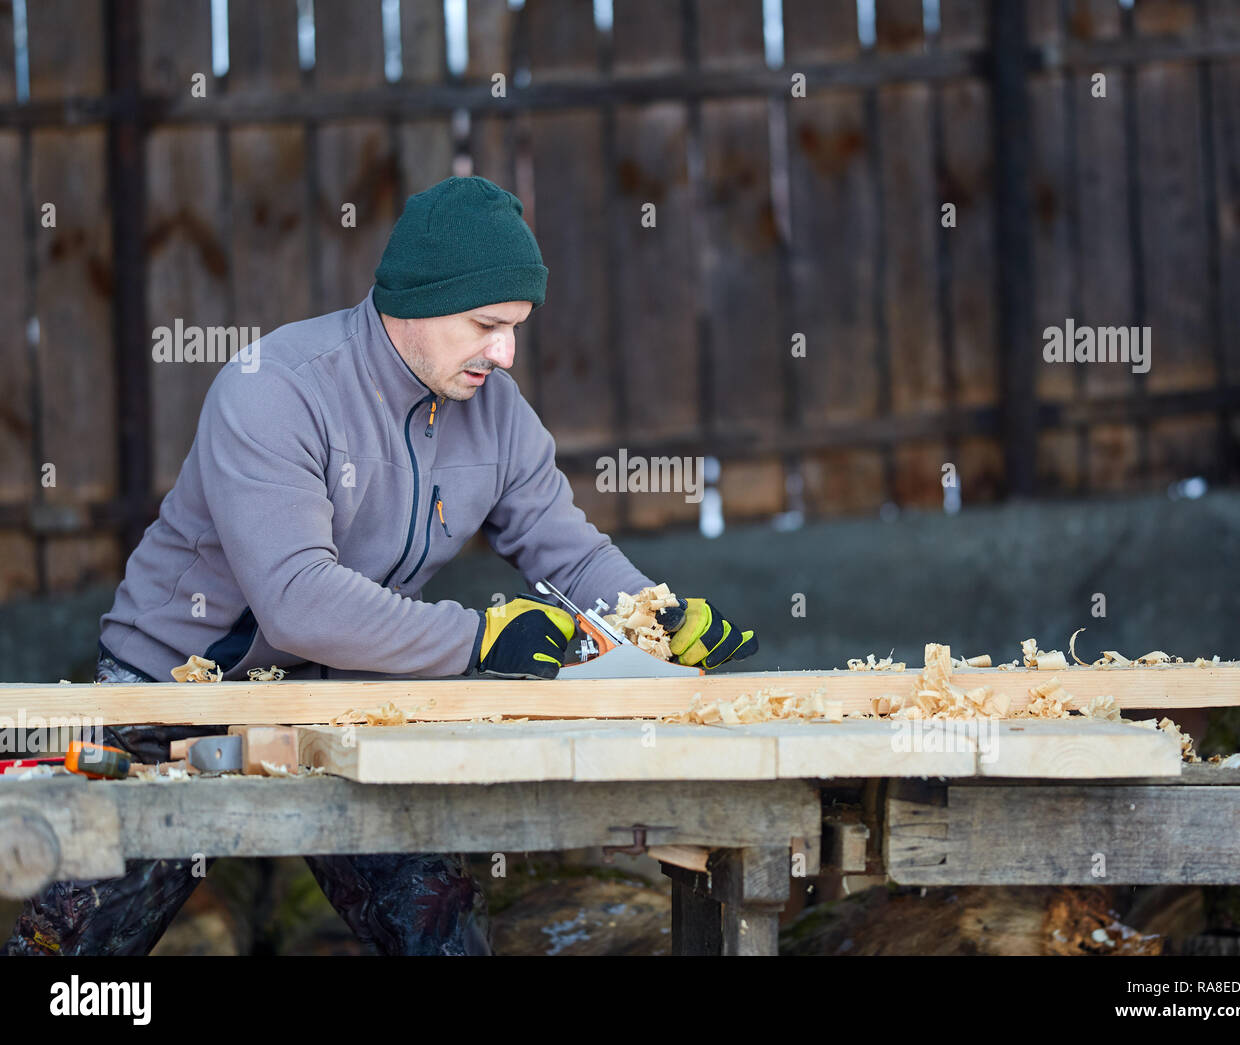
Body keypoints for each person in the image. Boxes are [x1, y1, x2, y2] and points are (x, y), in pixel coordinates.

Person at [7, 175, 756, 956]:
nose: (505, 353)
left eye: (517, 327)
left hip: (345, 698)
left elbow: (563, 546)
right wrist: (477, 642)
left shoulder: (496, 411)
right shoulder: (276, 391)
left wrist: (656, 614)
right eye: (487, 325)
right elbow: (296, 599)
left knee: (438, 919)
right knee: (75, 947)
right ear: (419, 303)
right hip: (174, 697)